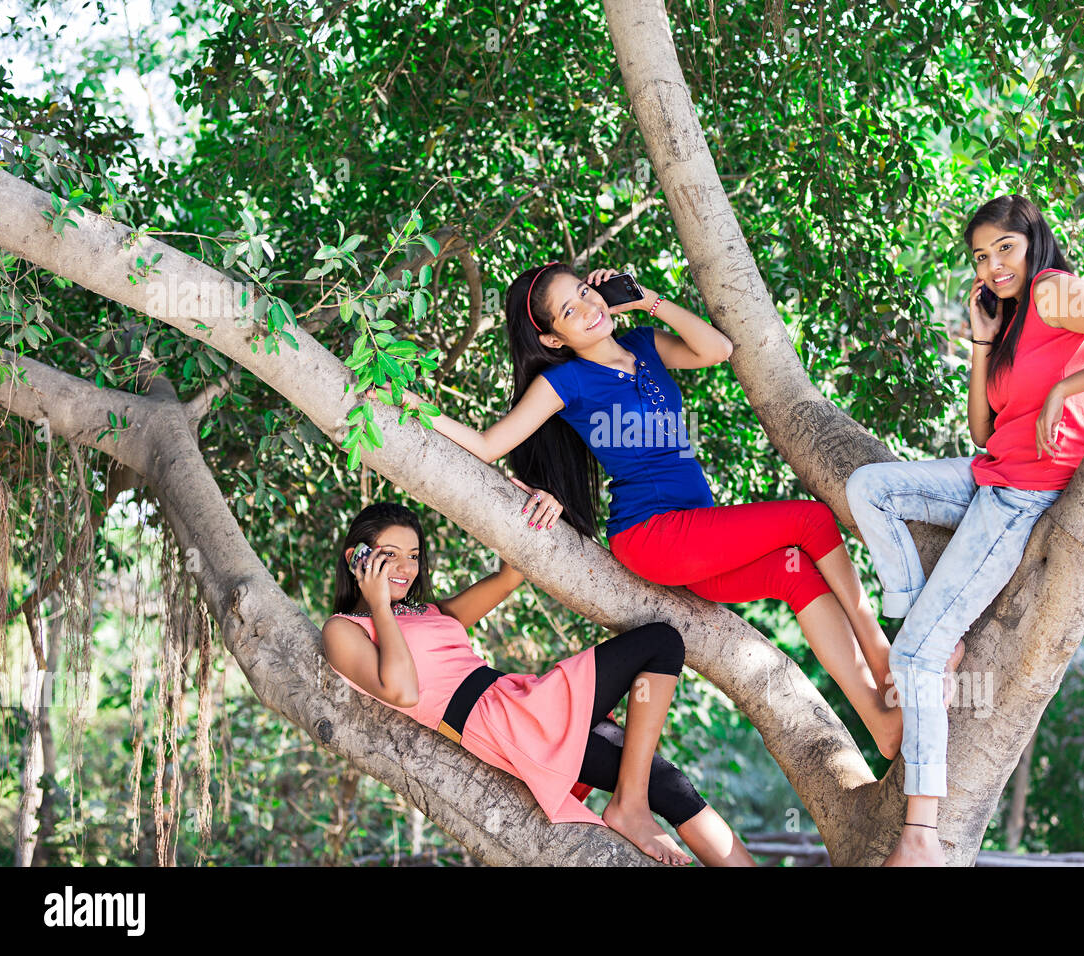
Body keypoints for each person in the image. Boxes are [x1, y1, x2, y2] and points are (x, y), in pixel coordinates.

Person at [384, 263, 965, 759]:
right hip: (652, 534)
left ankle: (882, 722)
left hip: (696, 536)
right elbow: (489, 445)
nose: (586, 308)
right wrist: (409, 402)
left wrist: (647, 302)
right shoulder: (565, 382)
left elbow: (718, 350)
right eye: (568, 312)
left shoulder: (642, 342)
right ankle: (887, 659)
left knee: (795, 568)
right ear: (556, 340)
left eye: (584, 292)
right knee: (809, 521)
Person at [844, 194, 1084, 866]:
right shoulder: (1009, 320)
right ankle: (917, 619)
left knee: (915, 657)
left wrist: (1069, 392)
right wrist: (983, 343)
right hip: (990, 473)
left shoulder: (1056, 290)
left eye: (1004, 248)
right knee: (871, 487)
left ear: (1032, 241)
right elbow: (983, 430)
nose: (992, 264)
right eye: (981, 256)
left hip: (1022, 497)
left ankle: (920, 836)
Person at [321, 501, 755, 866]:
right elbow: (403, 692)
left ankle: (631, 802)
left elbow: (511, 574)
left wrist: (533, 506)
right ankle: (630, 804)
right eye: (390, 554)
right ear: (355, 557)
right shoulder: (344, 630)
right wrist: (377, 602)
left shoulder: (429, 613)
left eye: (413, 556)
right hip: (498, 724)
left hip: (519, 700)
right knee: (661, 643)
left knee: (664, 780)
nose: (405, 567)